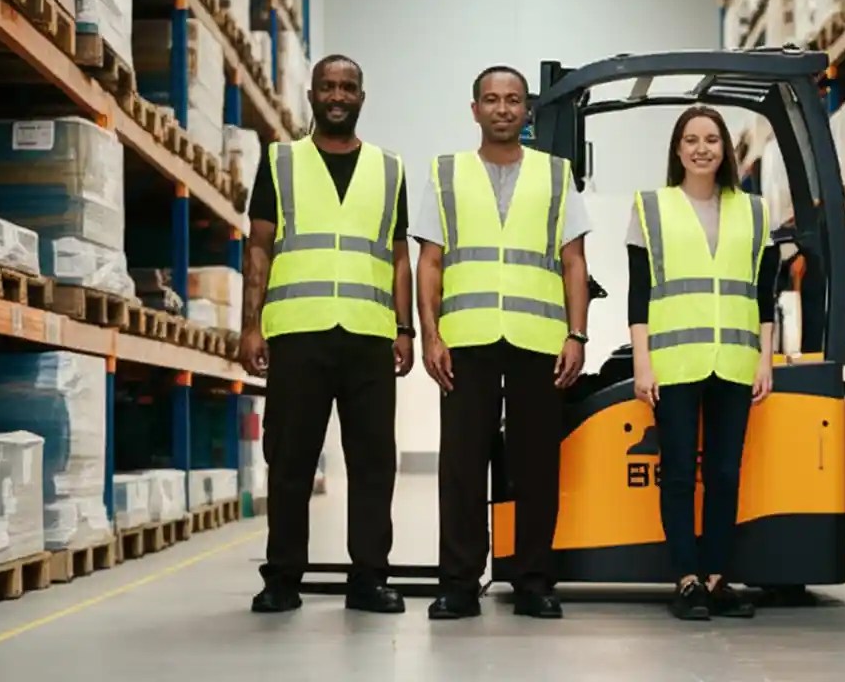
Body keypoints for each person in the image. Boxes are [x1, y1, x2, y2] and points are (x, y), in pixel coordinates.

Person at [412, 65, 592, 620]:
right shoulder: (446, 174)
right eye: (491, 99)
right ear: (475, 110)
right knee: (462, 467)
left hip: (539, 341)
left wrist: (577, 334)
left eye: (513, 100)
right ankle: (459, 585)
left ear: (527, 110)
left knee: (536, 466)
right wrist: (431, 335)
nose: (503, 109)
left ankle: (533, 581)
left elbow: (574, 261)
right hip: (466, 341)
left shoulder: (557, 175)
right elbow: (430, 262)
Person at [240, 54, 414, 615]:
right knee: (290, 460)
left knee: (373, 464)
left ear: (362, 96)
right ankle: (282, 578)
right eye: (328, 87)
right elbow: (260, 245)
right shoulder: (280, 161)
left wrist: (405, 327)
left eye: (348, 87)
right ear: (311, 95)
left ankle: (369, 578)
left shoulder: (389, 168)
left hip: (368, 335)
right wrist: (250, 326)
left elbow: (398, 253)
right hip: (298, 333)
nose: (338, 95)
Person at [626, 105, 779, 621]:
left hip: (735, 361)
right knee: (676, 475)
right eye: (690, 139)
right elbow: (639, 293)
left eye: (711, 139)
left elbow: (765, 291)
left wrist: (765, 358)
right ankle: (686, 578)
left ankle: (717, 577)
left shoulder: (755, 211)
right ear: (676, 149)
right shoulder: (651, 208)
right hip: (673, 361)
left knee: (723, 472)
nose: (701, 148)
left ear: (725, 149)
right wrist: (642, 364)